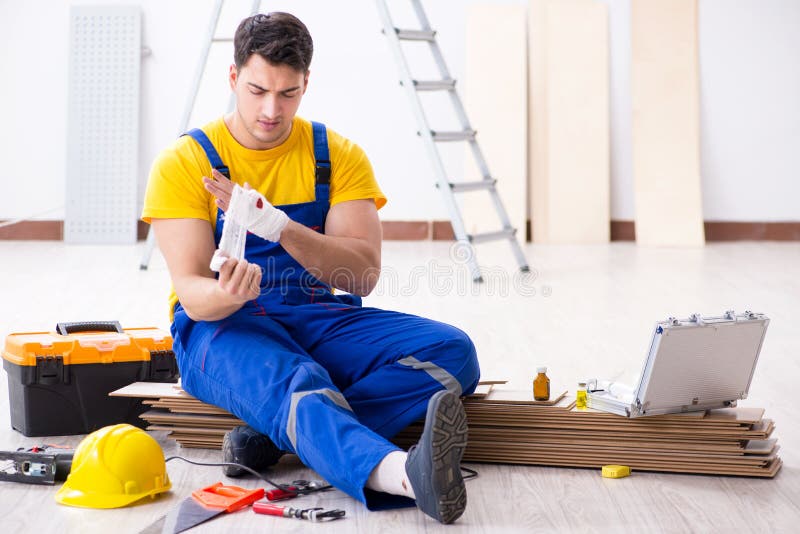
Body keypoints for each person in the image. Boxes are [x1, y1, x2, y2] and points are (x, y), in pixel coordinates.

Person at [142, 12, 480, 524]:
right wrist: (230, 295)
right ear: (234, 78)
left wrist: (278, 227)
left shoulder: (336, 156)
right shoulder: (186, 163)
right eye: (257, 90)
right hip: (223, 325)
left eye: (288, 93)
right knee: (301, 378)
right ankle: (405, 476)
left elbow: (361, 276)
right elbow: (193, 292)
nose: (271, 109)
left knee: (452, 353)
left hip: (318, 313)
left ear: (306, 84)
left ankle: (279, 431)